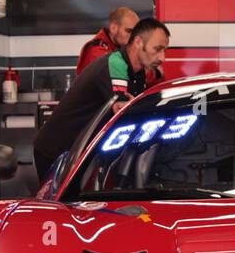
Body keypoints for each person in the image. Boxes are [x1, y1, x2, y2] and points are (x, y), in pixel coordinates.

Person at [35, 17, 170, 182]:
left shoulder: (138, 71)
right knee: (60, 206)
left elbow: (132, 109)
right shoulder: (116, 64)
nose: (162, 58)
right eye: (157, 49)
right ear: (138, 42)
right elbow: (121, 110)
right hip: (56, 149)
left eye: (164, 50)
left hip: (82, 150)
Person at [76, 6, 138, 76]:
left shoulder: (121, 47)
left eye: (135, 33)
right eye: (129, 31)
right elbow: (118, 70)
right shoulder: (95, 50)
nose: (133, 37)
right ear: (113, 28)